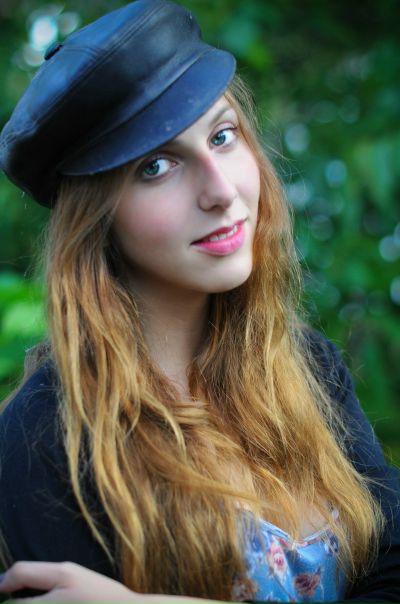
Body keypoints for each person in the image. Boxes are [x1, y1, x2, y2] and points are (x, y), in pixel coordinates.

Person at [0, 0, 398, 602]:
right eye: (157, 166)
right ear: (97, 220)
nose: (220, 190)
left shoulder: (308, 367)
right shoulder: (46, 440)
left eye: (222, 135)